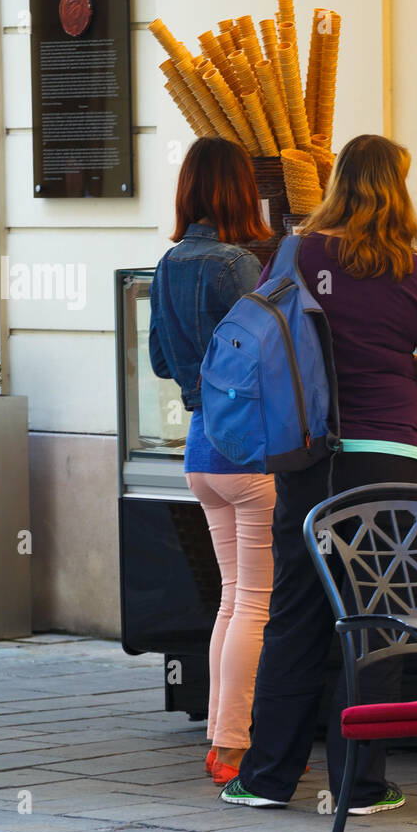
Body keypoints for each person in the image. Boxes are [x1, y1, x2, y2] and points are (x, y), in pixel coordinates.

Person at [219, 134, 417, 814]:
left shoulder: (298, 253)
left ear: (336, 185)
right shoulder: (412, 268)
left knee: (295, 614)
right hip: (393, 463)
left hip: (312, 456)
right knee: (377, 620)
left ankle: (267, 779)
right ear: (399, 191)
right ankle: (360, 784)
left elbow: (266, 338)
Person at [148, 137, 274, 786]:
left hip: (201, 448)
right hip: (250, 448)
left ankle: (221, 735)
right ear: (240, 189)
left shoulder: (170, 263)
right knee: (256, 599)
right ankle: (233, 744)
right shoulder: (237, 265)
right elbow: (267, 357)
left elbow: (162, 363)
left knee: (233, 597)